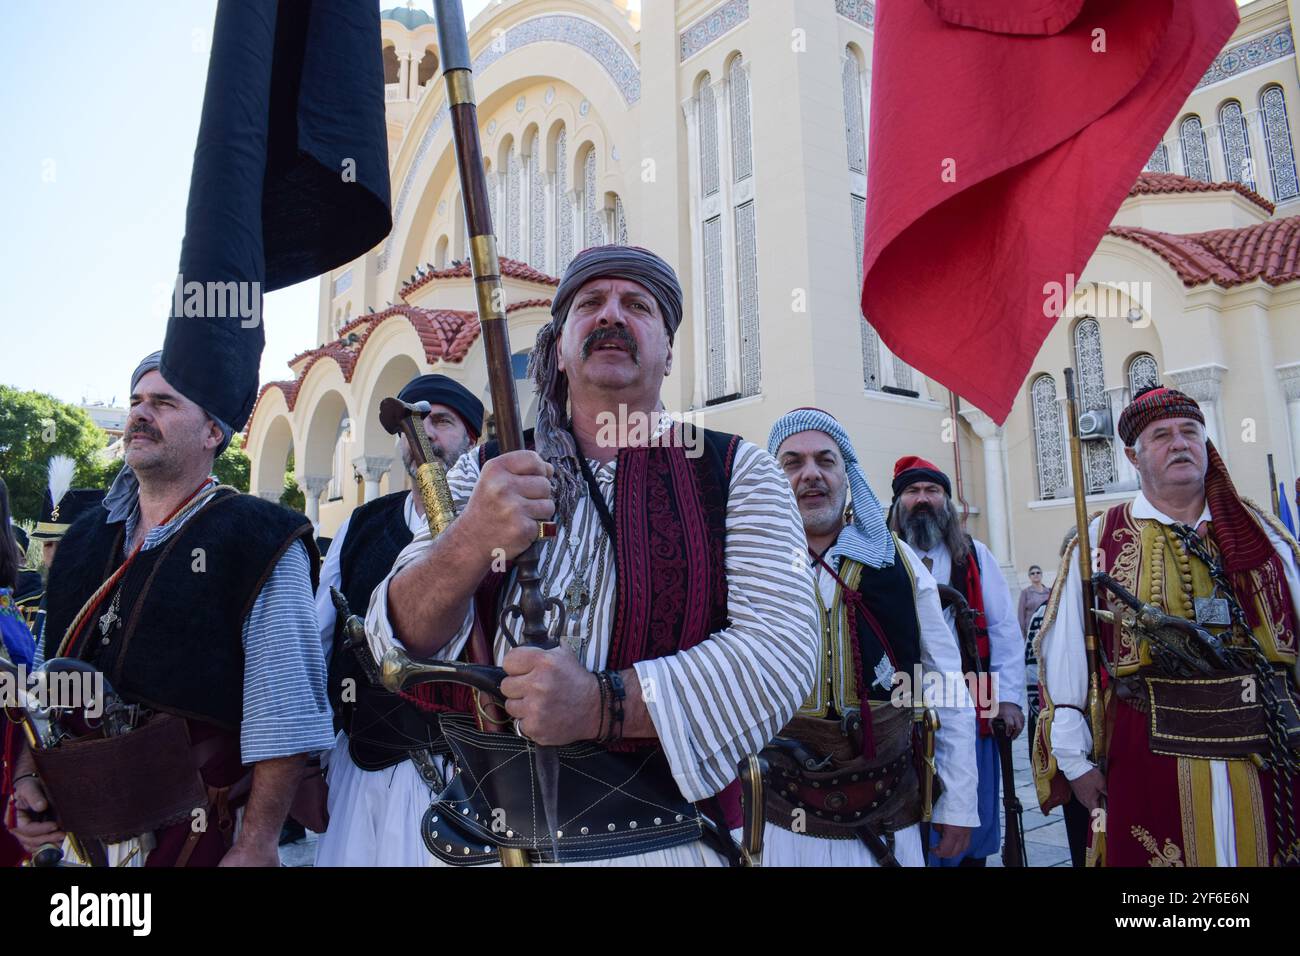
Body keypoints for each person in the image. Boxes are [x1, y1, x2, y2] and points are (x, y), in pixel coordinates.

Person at [368, 245, 819, 865]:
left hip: (665, 842)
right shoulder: (486, 472)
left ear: (666, 349)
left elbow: (781, 654)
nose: (611, 316)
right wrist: (470, 541)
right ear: (558, 346)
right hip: (496, 839)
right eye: (589, 304)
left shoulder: (739, 472)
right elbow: (394, 643)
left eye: (637, 305)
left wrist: (600, 704)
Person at [3, 351, 335, 867]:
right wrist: (27, 775)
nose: (140, 412)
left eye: (163, 402)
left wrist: (259, 842)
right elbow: (44, 684)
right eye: (136, 400)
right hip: (78, 828)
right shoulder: (83, 539)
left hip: (196, 830)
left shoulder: (261, 537)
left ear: (212, 433)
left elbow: (285, 709)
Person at [1035, 386, 1300, 866]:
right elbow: (1067, 659)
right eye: (1162, 436)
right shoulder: (1098, 538)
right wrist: (1073, 761)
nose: (1179, 443)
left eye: (1189, 433)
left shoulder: (1262, 534)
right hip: (1147, 747)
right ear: (1133, 456)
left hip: (1264, 745)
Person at [759, 408, 978, 866]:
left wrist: (959, 802)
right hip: (776, 817)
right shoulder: (749, 562)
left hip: (885, 813)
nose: (811, 474)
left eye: (826, 460)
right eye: (792, 463)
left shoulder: (897, 561)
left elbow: (945, 683)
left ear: (848, 475)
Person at [314, 373, 483, 867]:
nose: (425, 432)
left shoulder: (500, 524)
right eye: (414, 422)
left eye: (442, 421)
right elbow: (318, 642)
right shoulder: (362, 525)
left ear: (472, 438)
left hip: (469, 778)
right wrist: (306, 764)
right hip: (364, 765)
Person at [888, 456, 1025, 866]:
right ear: (897, 504)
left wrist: (1011, 699)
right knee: (907, 786)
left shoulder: (976, 555)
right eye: (912, 492)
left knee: (974, 785)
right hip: (905, 685)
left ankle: (967, 857)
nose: (923, 499)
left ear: (947, 502)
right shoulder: (882, 556)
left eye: (932, 491)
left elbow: (1003, 628)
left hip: (974, 684)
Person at [1018, 565, 1051, 639]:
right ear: (1029, 577)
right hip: (1031, 630)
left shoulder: (1049, 592)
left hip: (1046, 628)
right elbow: (1021, 614)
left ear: (1041, 575)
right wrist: (1022, 633)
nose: (1035, 574)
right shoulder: (1025, 592)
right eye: (1032, 573)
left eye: (1038, 572)